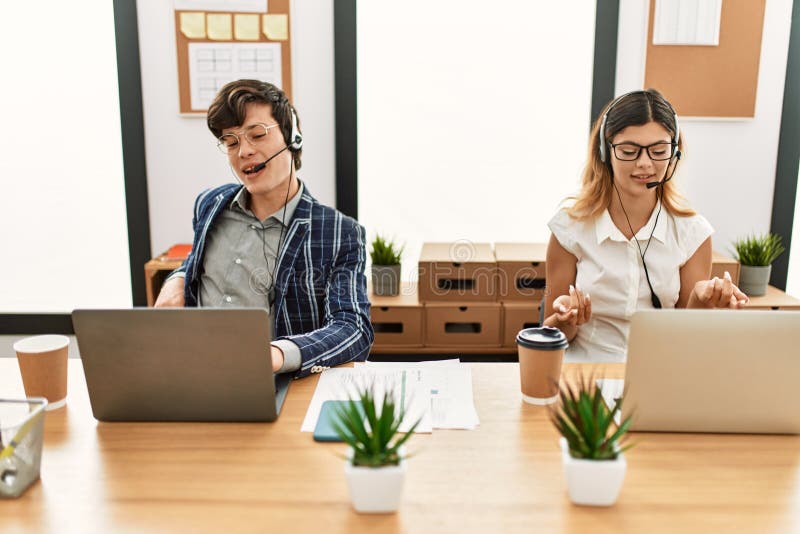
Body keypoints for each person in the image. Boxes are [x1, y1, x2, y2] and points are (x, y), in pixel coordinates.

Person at [155, 79, 373, 377]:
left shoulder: (340, 233)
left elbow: (353, 329)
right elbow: (196, 262)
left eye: (257, 135)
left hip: (271, 383)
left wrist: (277, 354)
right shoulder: (209, 204)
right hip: (192, 371)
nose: (243, 151)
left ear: (292, 138)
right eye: (231, 142)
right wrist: (175, 280)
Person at [543, 89, 748, 361]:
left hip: (660, 370)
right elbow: (550, 333)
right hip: (585, 374)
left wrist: (702, 299)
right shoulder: (570, 228)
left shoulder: (692, 232)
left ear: (674, 153)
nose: (644, 164)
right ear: (605, 151)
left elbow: (691, 338)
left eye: (659, 151)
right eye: (628, 151)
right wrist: (566, 318)